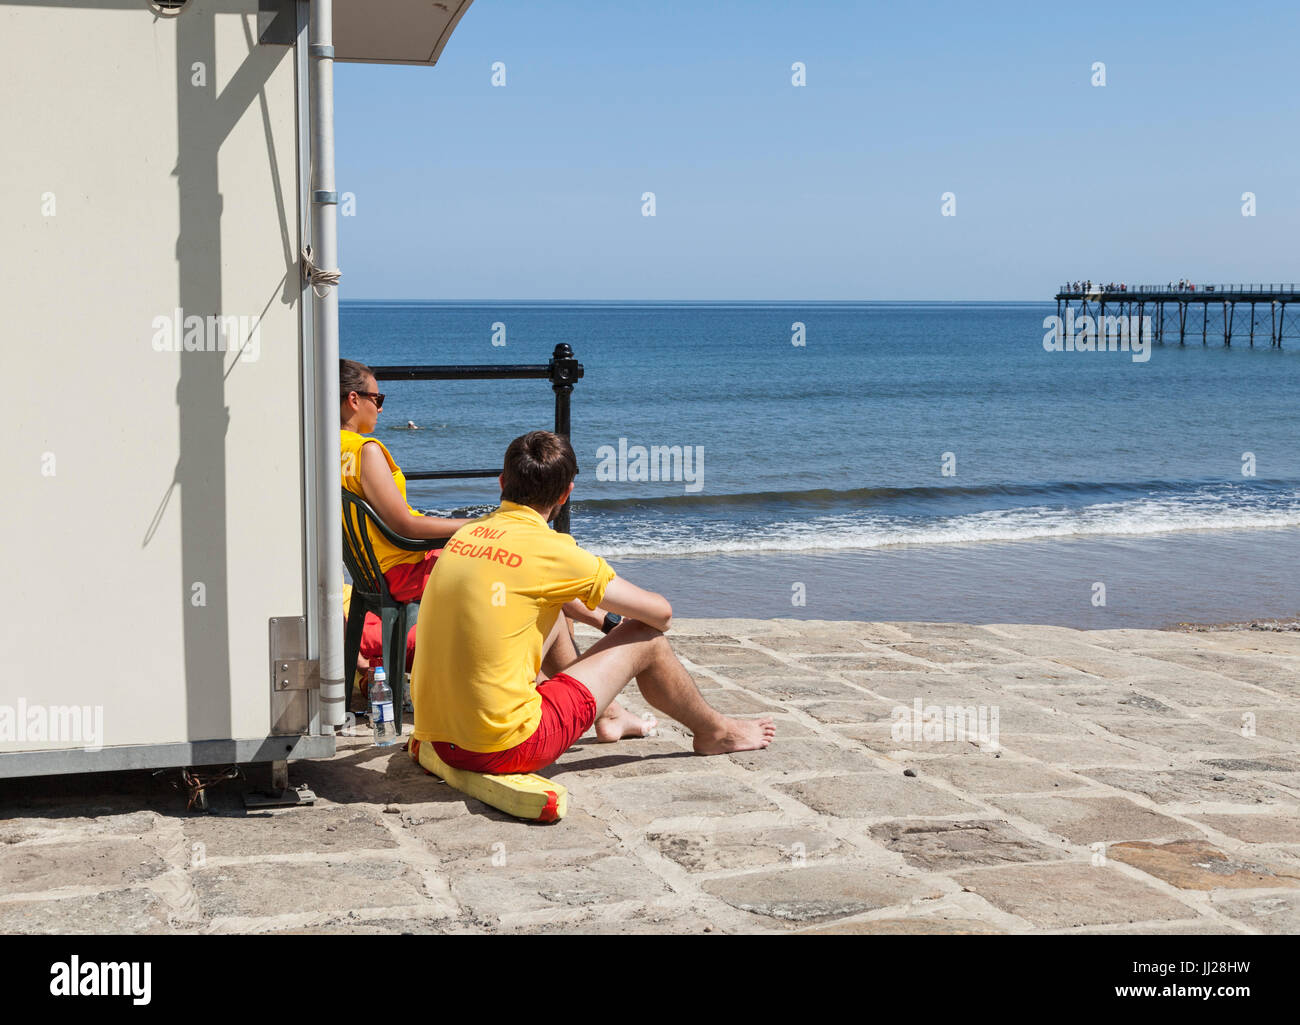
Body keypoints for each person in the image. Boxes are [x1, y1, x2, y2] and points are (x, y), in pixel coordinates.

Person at [409, 430, 775, 775]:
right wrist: (619, 626)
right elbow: (660, 614)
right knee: (646, 639)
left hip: (440, 739)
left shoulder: (465, 535)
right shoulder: (552, 551)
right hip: (503, 747)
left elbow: (545, 592)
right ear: (565, 494)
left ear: (502, 483)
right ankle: (716, 732)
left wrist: (600, 620)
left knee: (546, 608)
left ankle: (608, 715)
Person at [339, 359, 476, 702]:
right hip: (405, 568)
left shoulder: (320, 447)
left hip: (369, 571)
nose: (381, 410)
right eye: (378, 399)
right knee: (522, 563)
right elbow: (405, 525)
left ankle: (606, 628)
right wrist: (476, 526)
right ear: (354, 400)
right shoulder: (364, 451)